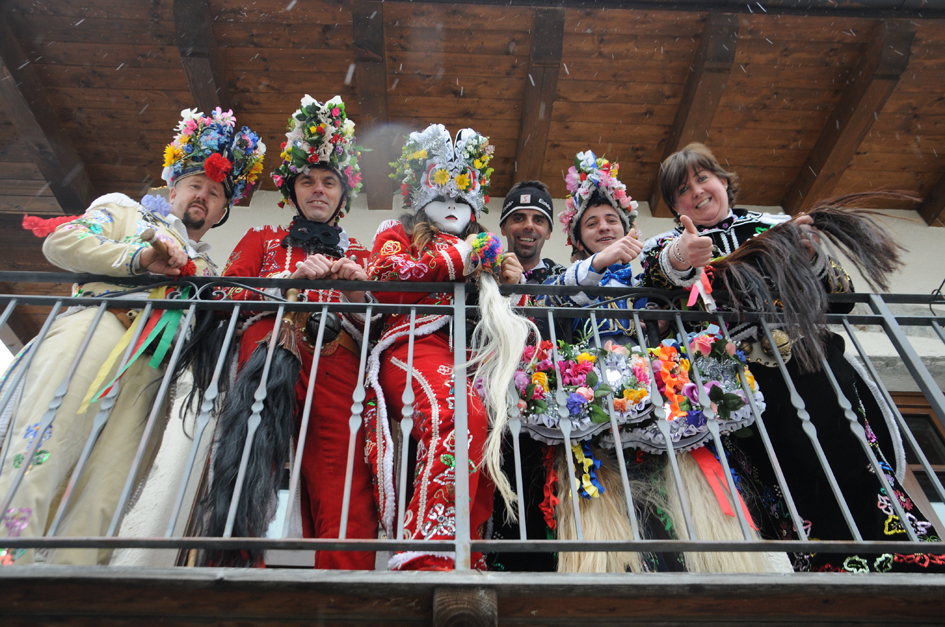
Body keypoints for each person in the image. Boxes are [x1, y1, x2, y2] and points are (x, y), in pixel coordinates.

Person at [644, 141, 944, 573]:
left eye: (703, 178)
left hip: (807, 360)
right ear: (675, 206)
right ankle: (824, 562)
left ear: (723, 181)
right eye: (682, 190)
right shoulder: (671, 244)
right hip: (737, 381)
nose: (697, 191)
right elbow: (657, 277)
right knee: (781, 464)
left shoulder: (778, 226)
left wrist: (809, 255)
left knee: (844, 447)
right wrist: (681, 258)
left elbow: (838, 298)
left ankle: (900, 550)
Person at [0, 108, 265, 566]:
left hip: (153, 371)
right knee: (46, 442)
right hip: (96, 328)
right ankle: (8, 557)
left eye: (215, 193)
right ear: (173, 188)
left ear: (223, 210)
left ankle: (68, 592)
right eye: (195, 184)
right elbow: (60, 244)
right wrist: (143, 256)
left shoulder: (208, 271)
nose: (203, 195)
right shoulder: (124, 210)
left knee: (111, 485)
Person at [203, 95, 378, 570]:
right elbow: (221, 300)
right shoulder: (261, 237)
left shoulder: (361, 250)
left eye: (328, 182)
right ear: (293, 189)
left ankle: (342, 597)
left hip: (338, 361)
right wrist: (285, 286)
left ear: (342, 195)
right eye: (308, 180)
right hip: (268, 351)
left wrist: (356, 297)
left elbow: (378, 325)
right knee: (245, 464)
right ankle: (234, 581)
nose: (318, 190)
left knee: (344, 484)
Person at [365, 124, 529, 571]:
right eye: (443, 196)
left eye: (463, 198)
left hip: (472, 358)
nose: (453, 205)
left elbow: (511, 318)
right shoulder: (396, 233)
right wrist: (464, 256)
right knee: (458, 415)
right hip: (414, 343)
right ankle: (430, 552)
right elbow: (387, 279)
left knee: (485, 440)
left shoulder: (485, 247)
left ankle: (465, 554)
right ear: (420, 199)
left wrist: (512, 284)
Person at [535, 152, 643, 346]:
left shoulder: (641, 286)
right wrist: (598, 262)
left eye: (611, 220)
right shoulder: (559, 283)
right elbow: (542, 311)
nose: (604, 227)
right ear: (579, 243)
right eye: (592, 224)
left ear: (628, 232)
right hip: (584, 374)